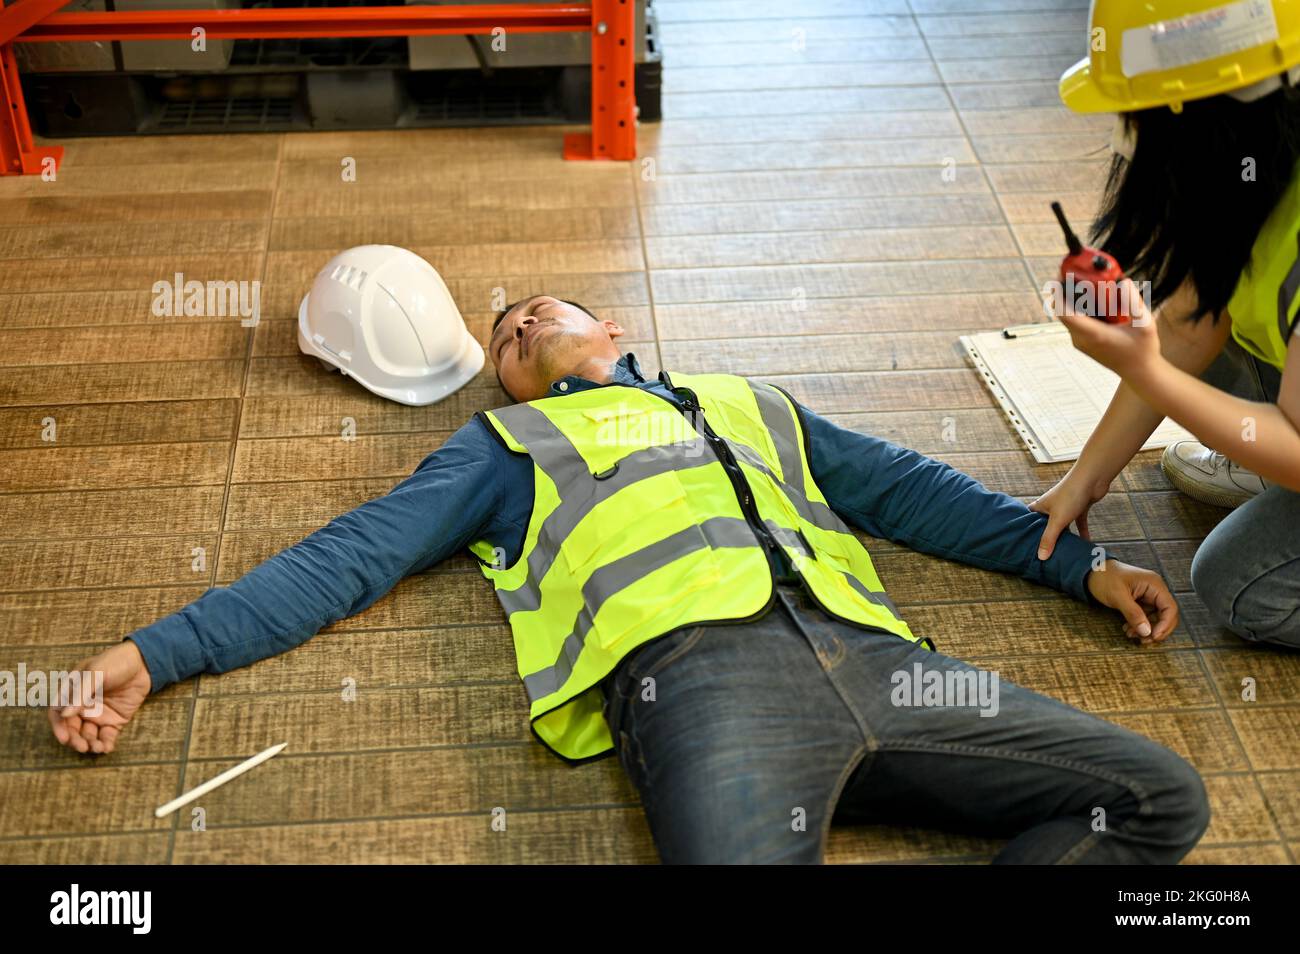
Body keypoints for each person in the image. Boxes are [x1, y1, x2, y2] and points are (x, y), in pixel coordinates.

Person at [47, 296, 1209, 864]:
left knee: (1158, 799)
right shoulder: (498, 453)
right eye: (503, 335)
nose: (517, 323)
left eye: (535, 309)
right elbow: (347, 559)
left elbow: (908, 492)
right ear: (503, 388)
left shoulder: (747, 400)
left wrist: (1081, 567)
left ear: (611, 325)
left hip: (890, 667)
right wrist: (155, 652)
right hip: (703, 696)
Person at [1037, 0, 1300, 649]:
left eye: (1136, 116)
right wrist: (1086, 479)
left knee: (1243, 584)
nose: (1124, 137)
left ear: (1206, 113)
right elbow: (1187, 327)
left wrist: (1142, 367)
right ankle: (1259, 459)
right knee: (1199, 339)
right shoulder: (1260, 165)